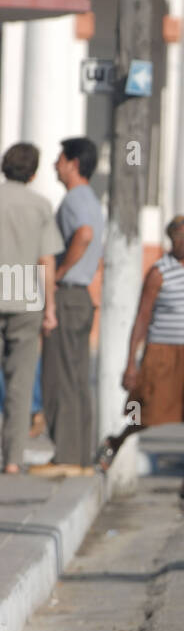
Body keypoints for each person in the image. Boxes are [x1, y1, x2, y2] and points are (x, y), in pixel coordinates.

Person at [95, 215, 184, 498]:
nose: (183, 242)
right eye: (178, 236)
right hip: (163, 352)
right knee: (148, 413)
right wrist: (131, 364)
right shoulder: (158, 273)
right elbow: (142, 317)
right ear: (170, 238)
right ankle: (115, 441)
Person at [30, 137, 104, 477]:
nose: (55, 165)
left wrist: (58, 274)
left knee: (59, 376)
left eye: (60, 160)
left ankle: (66, 457)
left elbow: (84, 235)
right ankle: (81, 455)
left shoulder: (75, 199)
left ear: (74, 163)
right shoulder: (91, 198)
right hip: (82, 294)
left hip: (69, 293)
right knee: (76, 378)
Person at [0, 143, 63, 474]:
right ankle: (12, 459)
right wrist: (50, 306)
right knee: (21, 382)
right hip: (24, 295)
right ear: (34, 172)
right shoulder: (40, 205)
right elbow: (46, 260)